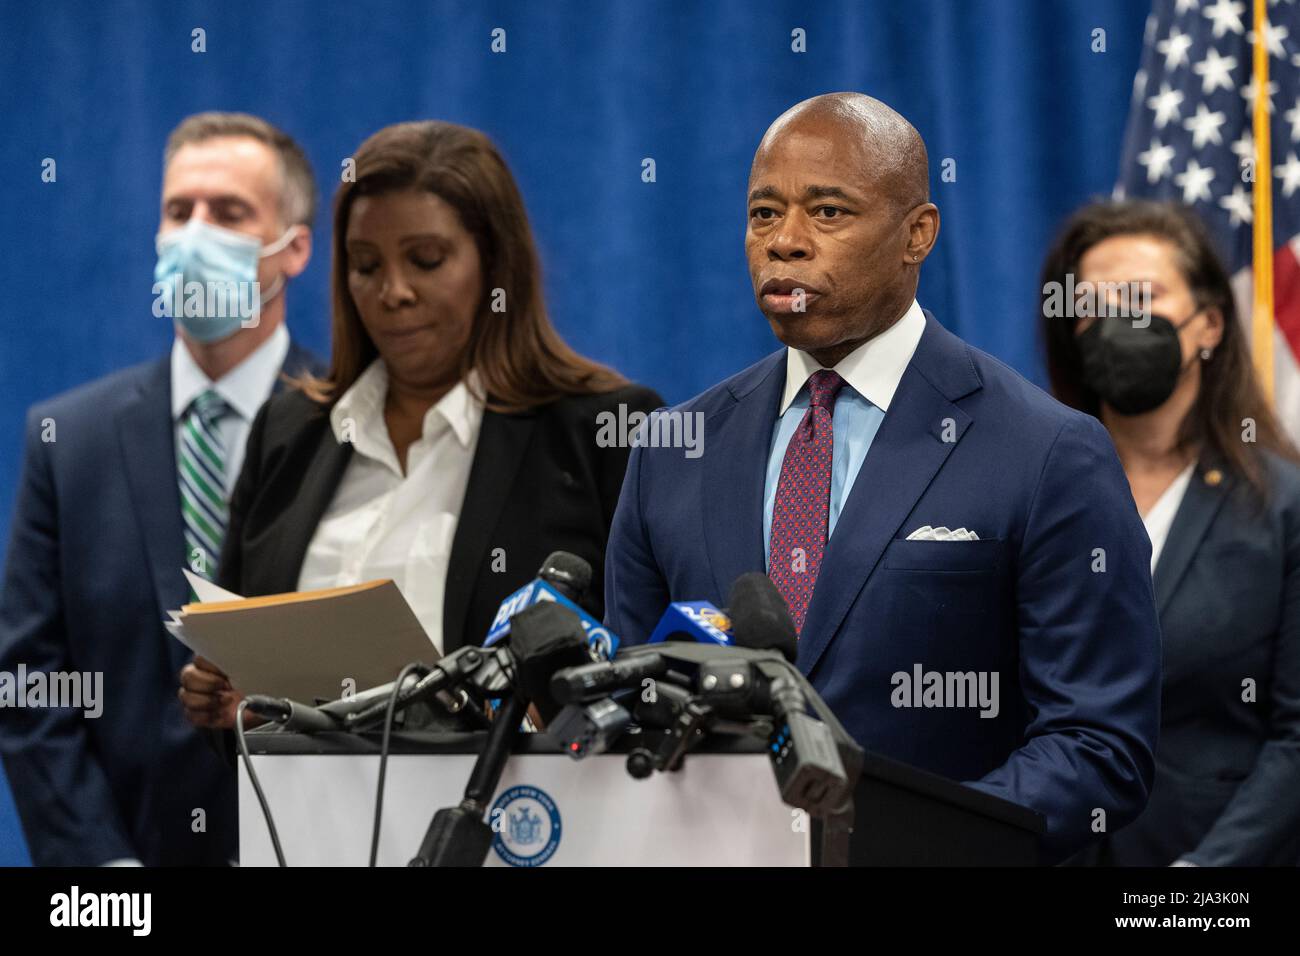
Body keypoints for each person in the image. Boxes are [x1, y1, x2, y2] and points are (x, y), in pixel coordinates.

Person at [602, 92, 1162, 863]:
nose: (786, 243)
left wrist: (902, 845)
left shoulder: (1049, 452)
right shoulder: (672, 448)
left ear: (917, 235)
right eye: (764, 214)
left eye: (828, 212)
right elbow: (633, 708)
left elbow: (1099, 746)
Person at [178, 121, 662, 732]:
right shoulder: (289, 430)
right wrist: (223, 701)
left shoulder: (599, 431)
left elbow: (649, 678)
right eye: (364, 265)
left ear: (495, 265)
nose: (393, 291)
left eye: (426, 260)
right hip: (297, 821)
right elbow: (236, 669)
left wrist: (549, 712)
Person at [0, 112, 322, 865]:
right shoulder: (67, 441)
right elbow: (28, 683)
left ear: (294, 248)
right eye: (179, 212)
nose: (194, 235)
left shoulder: (349, 425)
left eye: (230, 213)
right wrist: (106, 872)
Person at [1042, 198, 1300, 866]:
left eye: (1143, 297)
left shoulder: (1281, 507)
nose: (1119, 320)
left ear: (1208, 323)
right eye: (1095, 302)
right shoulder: (1028, 491)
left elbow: (1295, 738)